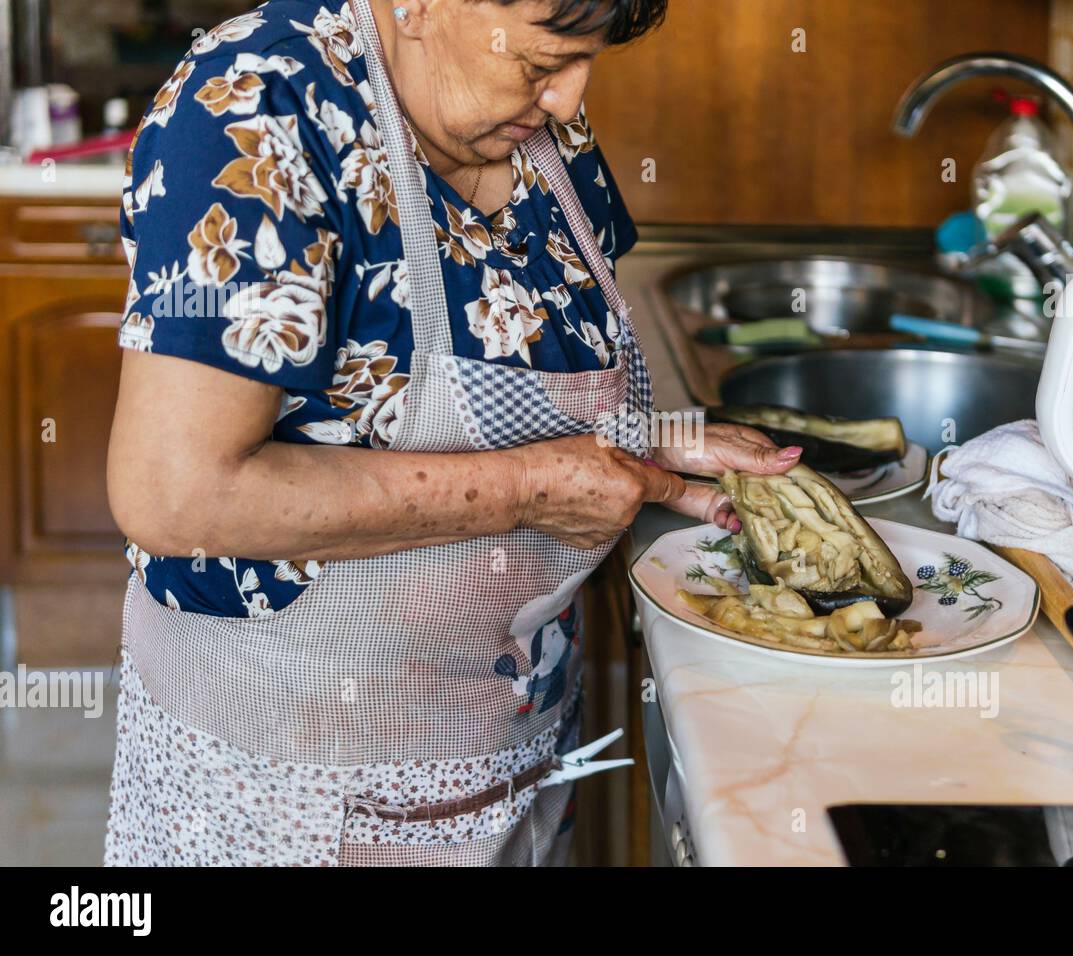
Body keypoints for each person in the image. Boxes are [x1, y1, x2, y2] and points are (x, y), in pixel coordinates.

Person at [103, 0, 800, 865]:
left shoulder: (528, 128)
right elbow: (177, 492)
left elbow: (490, 382)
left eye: (587, 61)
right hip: (303, 784)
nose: (568, 98)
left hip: (509, 751)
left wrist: (649, 439)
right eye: (545, 62)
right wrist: (535, 491)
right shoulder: (255, 109)